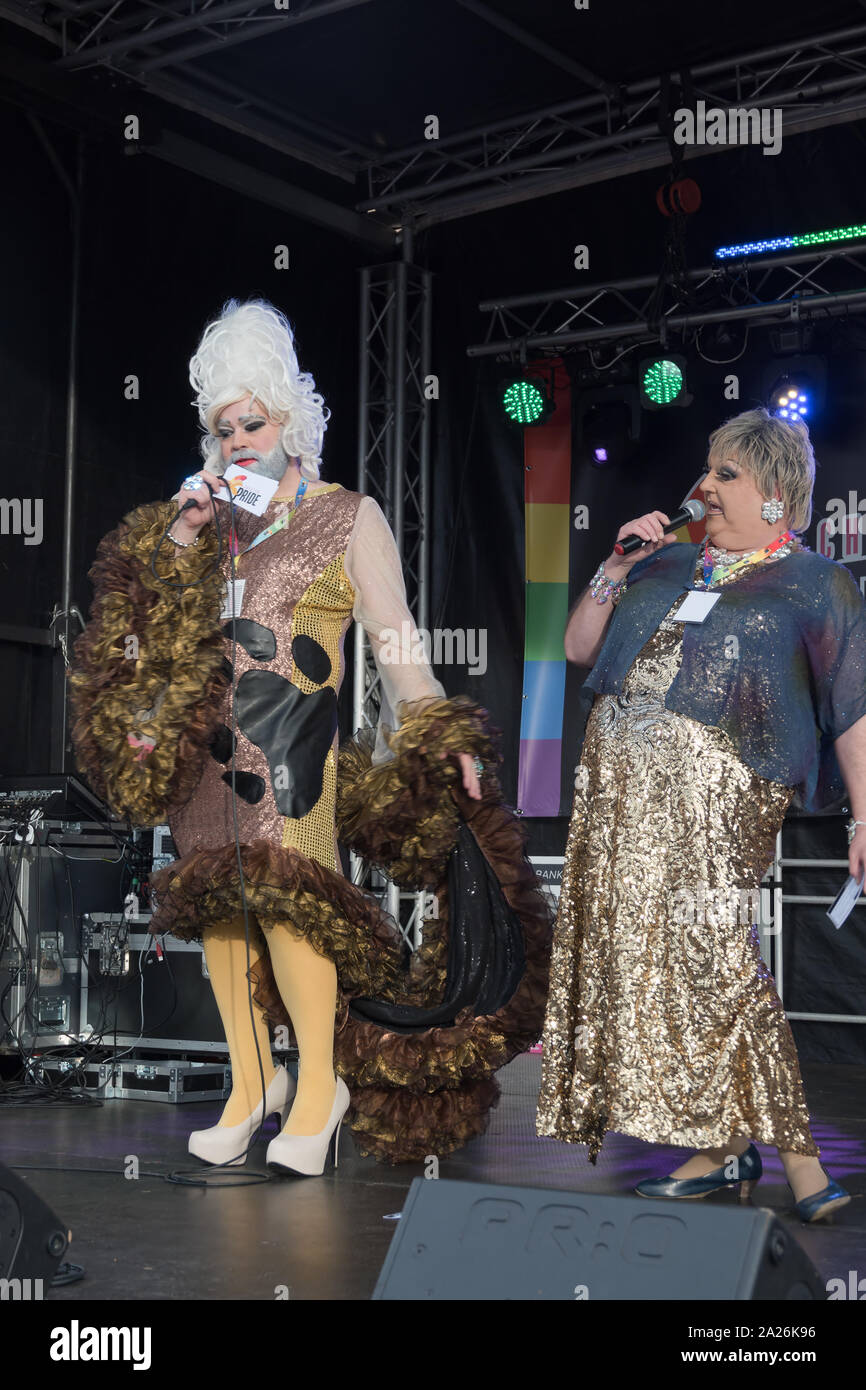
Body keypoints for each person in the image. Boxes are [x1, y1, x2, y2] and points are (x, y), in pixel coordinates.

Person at [69, 299, 551, 1173]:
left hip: (290, 754)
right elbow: (143, 622)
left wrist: (437, 728)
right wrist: (182, 533)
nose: (237, 441)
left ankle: (320, 1087)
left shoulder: (346, 514)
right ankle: (252, 1086)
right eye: (223, 429)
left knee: (294, 908)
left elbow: (396, 636)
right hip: (205, 755)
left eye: (252, 423)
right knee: (218, 914)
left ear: (289, 423)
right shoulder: (212, 526)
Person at [536, 407, 866, 1223]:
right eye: (707, 469)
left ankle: (802, 1164)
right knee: (661, 970)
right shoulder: (666, 562)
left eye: (727, 474)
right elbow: (579, 648)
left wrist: (864, 819)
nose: (705, 487)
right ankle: (723, 1149)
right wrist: (614, 566)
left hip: (722, 796)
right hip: (621, 795)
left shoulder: (814, 582)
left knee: (716, 957)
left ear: (776, 494)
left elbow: (852, 711)